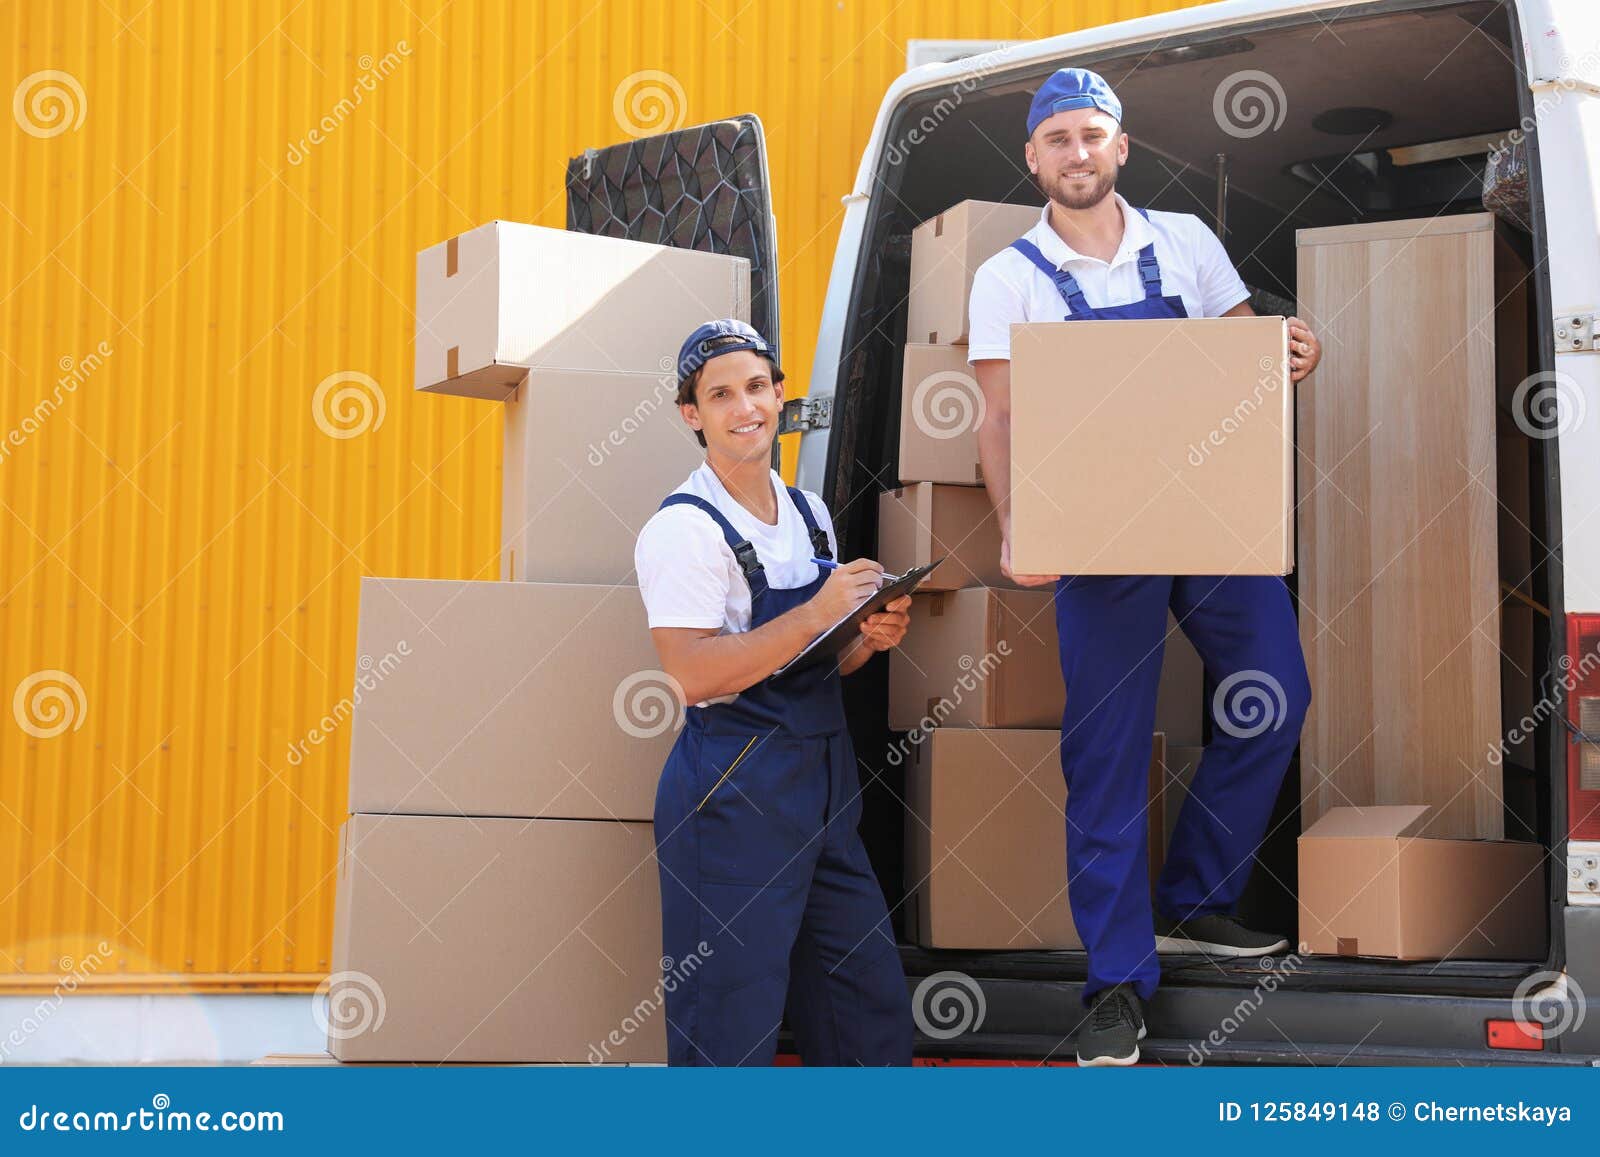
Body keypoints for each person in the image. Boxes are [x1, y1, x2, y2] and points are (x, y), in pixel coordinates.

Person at [966, 68, 1324, 1066]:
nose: (1076, 153)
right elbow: (998, 415)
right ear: (1033, 159)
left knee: (1274, 692)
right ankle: (1116, 981)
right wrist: (1015, 527)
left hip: (1208, 512)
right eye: (1057, 139)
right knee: (1108, 752)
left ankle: (1198, 897)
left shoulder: (1186, 245)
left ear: (1120, 146)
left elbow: (1240, 358)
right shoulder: (1011, 276)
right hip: (1094, 531)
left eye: (1092, 134)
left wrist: (1292, 349)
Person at [634, 318, 915, 1066]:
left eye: (757, 386)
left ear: (781, 395)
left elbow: (825, 662)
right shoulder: (683, 530)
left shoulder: (811, 515)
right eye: (719, 394)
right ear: (692, 414)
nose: (744, 406)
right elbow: (694, 674)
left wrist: (864, 637)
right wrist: (822, 611)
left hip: (823, 795)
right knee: (729, 1023)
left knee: (867, 1007)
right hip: (731, 799)